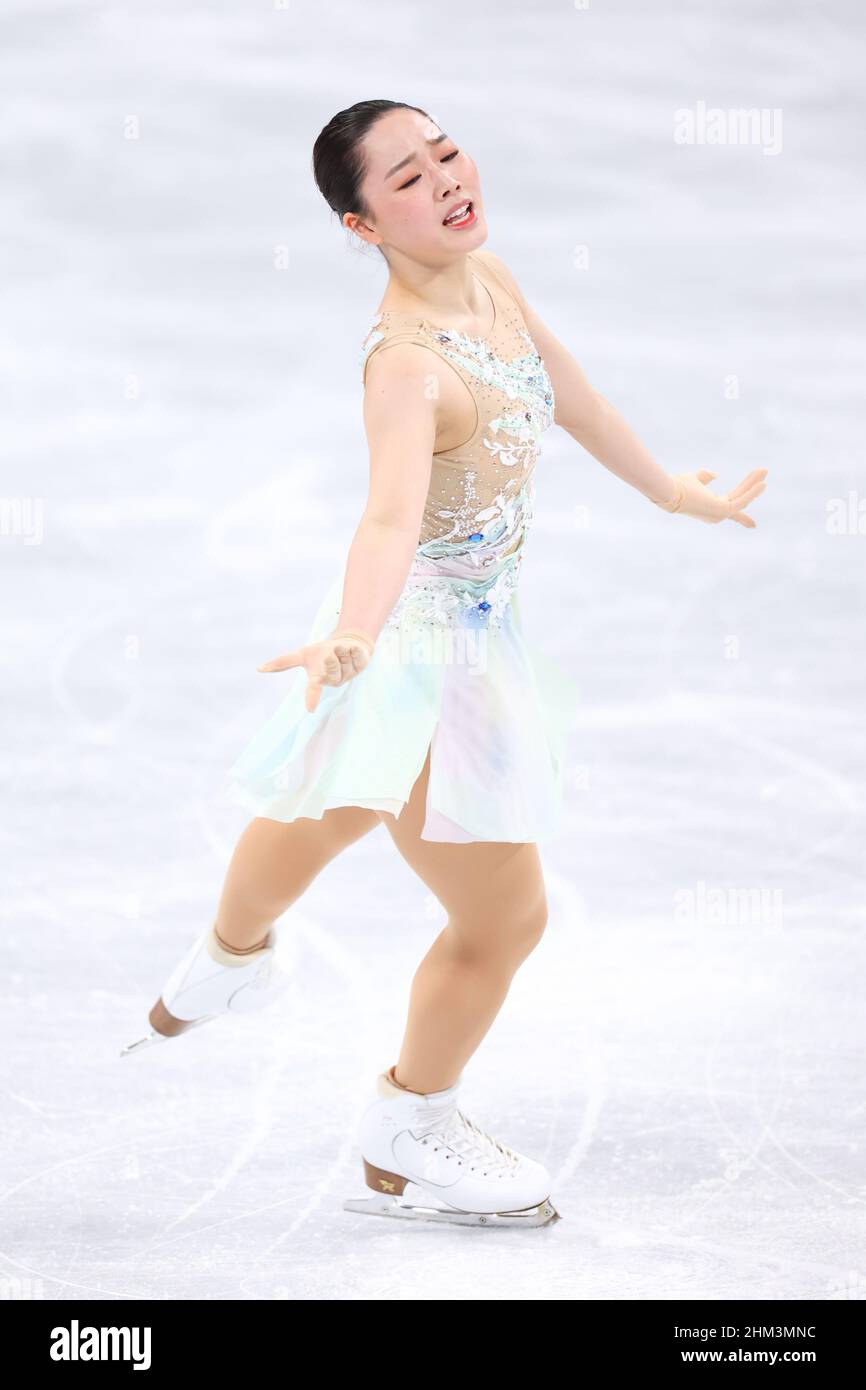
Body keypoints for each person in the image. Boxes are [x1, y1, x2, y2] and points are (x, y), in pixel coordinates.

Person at [121, 101, 768, 1228]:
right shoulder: (406, 370)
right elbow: (384, 522)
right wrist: (357, 638)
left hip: (459, 631)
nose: (448, 182)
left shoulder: (491, 279)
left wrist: (676, 491)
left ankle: (224, 953)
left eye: (447, 153)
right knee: (504, 919)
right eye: (409, 180)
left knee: (323, 811)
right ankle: (407, 1125)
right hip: (411, 648)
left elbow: (571, 396)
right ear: (360, 225)